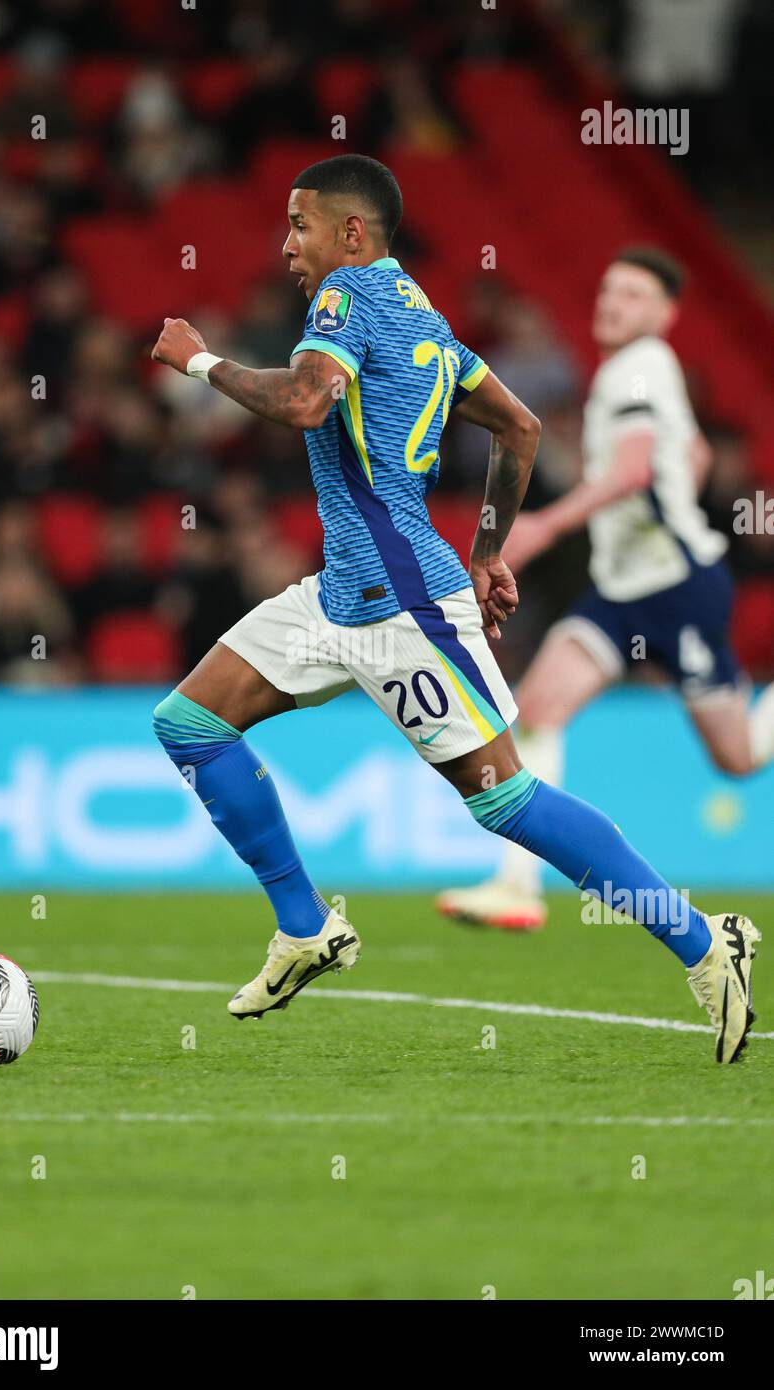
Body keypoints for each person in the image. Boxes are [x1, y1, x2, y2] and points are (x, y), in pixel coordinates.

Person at [150, 158, 758, 1063]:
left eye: (300, 225)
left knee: (504, 800)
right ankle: (306, 928)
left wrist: (198, 360)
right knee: (190, 721)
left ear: (351, 234)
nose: (286, 245)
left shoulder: (346, 299)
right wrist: (486, 551)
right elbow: (519, 428)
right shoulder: (422, 316)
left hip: (401, 607)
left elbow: (308, 401)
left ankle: (704, 944)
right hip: (338, 595)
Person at [438, 248, 774, 932]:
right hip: (621, 593)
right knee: (535, 707)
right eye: (608, 290)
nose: (611, 302)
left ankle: (517, 884)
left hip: (677, 590)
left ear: (663, 314)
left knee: (737, 759)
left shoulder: (636, 367)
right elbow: (690, 455)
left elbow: (628, 470)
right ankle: (516, 886)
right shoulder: (647, 373)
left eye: (632, 295)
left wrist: (543, 526)